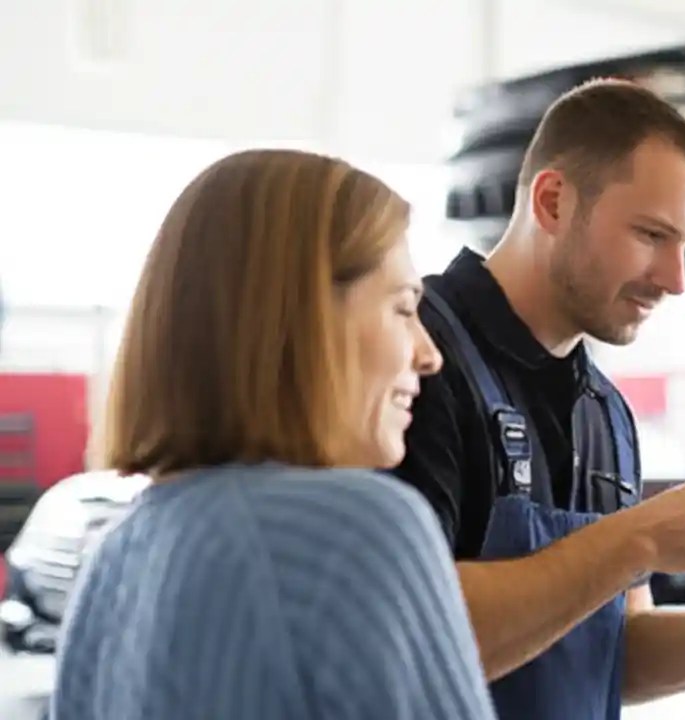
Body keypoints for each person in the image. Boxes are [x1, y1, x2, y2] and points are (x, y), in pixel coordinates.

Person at [393, 78, 685, 720]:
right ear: (552, 202)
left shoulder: (605, 412)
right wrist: (641, 537)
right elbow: (410, 636)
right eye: (651, 235)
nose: (676, 280)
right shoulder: (411, 362)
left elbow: (617, 651)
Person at [51, 149, 496, 720]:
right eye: (403, 310)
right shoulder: (354, 529)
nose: (429, 354)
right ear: (305, 318)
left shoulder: (113, 562)